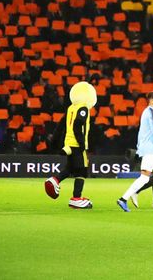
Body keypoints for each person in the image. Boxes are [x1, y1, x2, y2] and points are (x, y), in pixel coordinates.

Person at [117, 90, 153, 213]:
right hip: (149, 149)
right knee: (144, 178)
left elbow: (143, 132)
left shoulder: (149, 112)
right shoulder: (151, 112)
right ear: (152, 100)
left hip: (150, 149)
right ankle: (123, 199)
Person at [45, 80, 97, 209]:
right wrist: (81, 144)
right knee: (82, 171)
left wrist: (55, 142)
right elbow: (77, 125)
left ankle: (55, 180)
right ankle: (76, 198)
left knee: (71, 168)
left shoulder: (70, 108)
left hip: (68, 144)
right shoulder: (83, 108)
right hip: (76, 145)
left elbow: (61, 125)